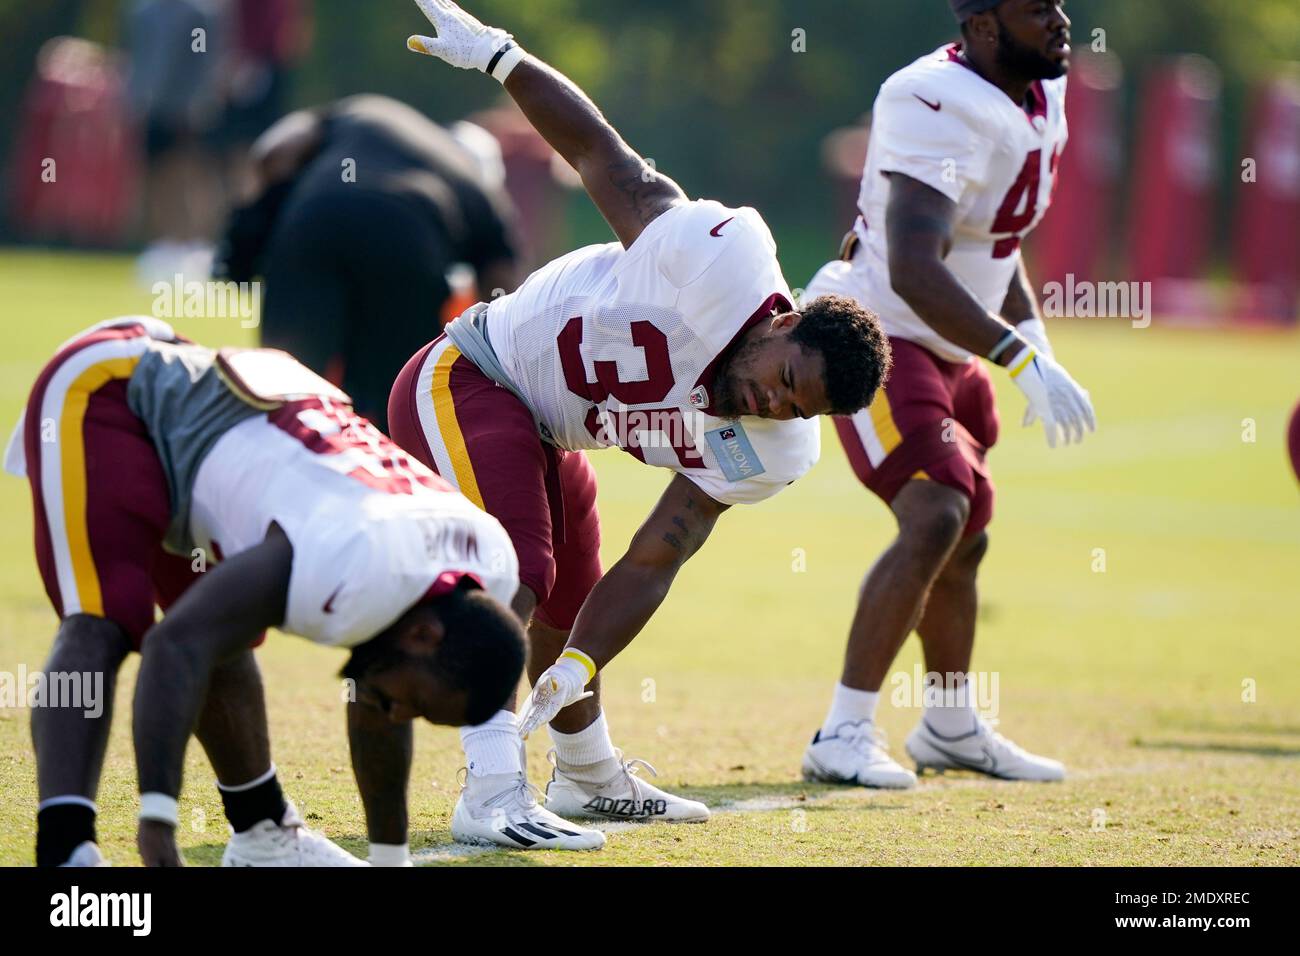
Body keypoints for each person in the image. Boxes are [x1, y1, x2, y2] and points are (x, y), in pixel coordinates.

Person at [390, 0, 891, 850]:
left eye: (796, 410)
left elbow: (662, 550)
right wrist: (501, 57)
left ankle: (584, 775)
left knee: (574, 593)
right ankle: (491, 787)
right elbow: (598, 154)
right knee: (517, 568)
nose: (773, 406)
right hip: (472, 373)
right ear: (783, 322)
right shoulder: (718, 261)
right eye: (785, 381)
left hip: (548, 426)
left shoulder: (775, 447)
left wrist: (580, 663)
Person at [4, 317, 525, 867]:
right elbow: (173, 646)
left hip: (241, 425)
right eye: (413, 704)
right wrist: (158, 827)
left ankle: (260, 829)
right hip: (118, 394)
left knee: (222, 626)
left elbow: (376, 696)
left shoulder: (477, 575)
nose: (398, 717)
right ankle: (64, 850)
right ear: (424, 634)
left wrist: (390, 861)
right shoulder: (357, 559)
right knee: (105, 619)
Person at [801, 0, 1094, 788]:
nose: (1061, 21)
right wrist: (1018, 358)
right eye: (1039, 11)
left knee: (966, 536)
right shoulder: (932, 98)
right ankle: (843, 731)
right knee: (936, 511)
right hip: (881, 332)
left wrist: (1032, 341)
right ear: (985, 27)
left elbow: (997, 241)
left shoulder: (1041, 89)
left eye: (1060, 5)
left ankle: (951, 724)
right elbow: (914, 267)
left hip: (955, 341)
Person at [214, 94, 521, 430]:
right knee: (397, 410)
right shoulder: (481, 192)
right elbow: (501, 295)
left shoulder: (371, 111)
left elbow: (275, 152)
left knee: (282, 392)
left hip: (316, 220)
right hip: (410, 244)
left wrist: (249, 230)